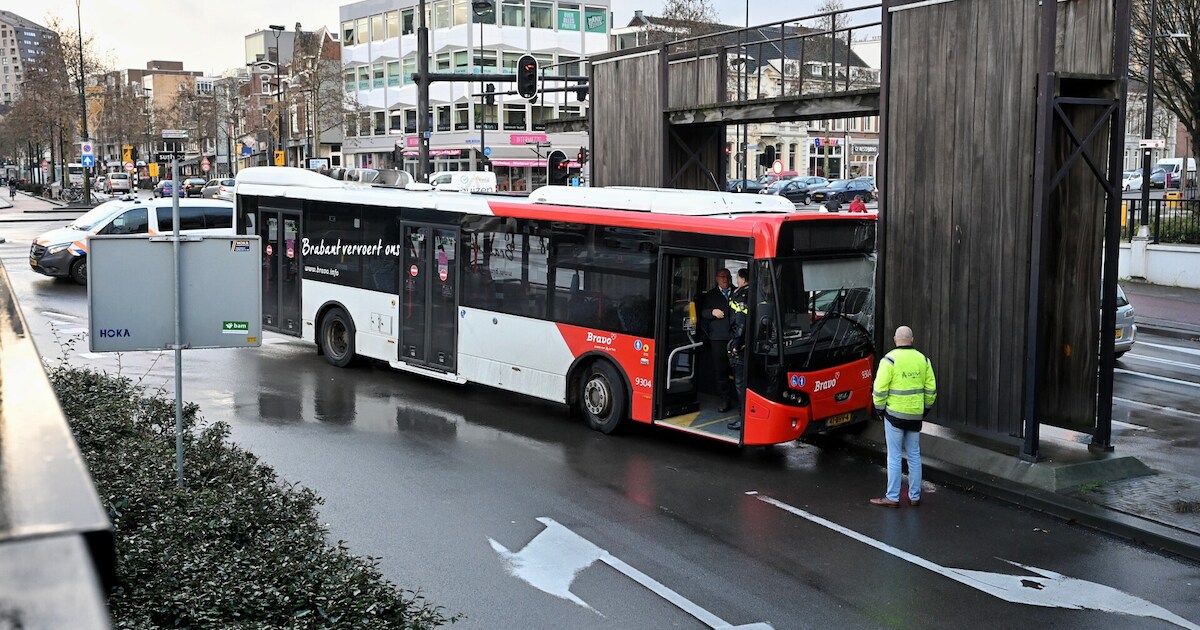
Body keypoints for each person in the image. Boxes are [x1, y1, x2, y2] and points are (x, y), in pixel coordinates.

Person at [870, 326, 937, 508]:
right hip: (915, 415)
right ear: (912, 339)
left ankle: (893, 497)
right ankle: (914, 496)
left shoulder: (889, 360)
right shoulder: (923, 360)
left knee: (894, 456)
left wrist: (880, 410)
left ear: (895, 339)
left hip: (894, 416)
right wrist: (924, 409)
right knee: (914, 455)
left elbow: (879, 390)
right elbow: (931, 390)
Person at [698, 268, 737, 412]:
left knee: (737, 370)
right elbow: (701, 312)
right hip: (717, 339)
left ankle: (740, 401)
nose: (725, 279)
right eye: (722, 277)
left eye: (727, 276)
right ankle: (724, 400)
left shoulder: (738, 292)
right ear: (716, 279)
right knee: (720, 371)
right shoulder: (710, 295)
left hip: (735, 338)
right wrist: (712, 312)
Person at [726, 268, 750, 429]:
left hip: (741, 345)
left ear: (742, 279)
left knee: (740, 383)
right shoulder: (754, 291)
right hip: (747, 343)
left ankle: (744, 418)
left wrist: (736, 344)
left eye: (737, 277)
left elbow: (740, 321)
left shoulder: (742, 294)